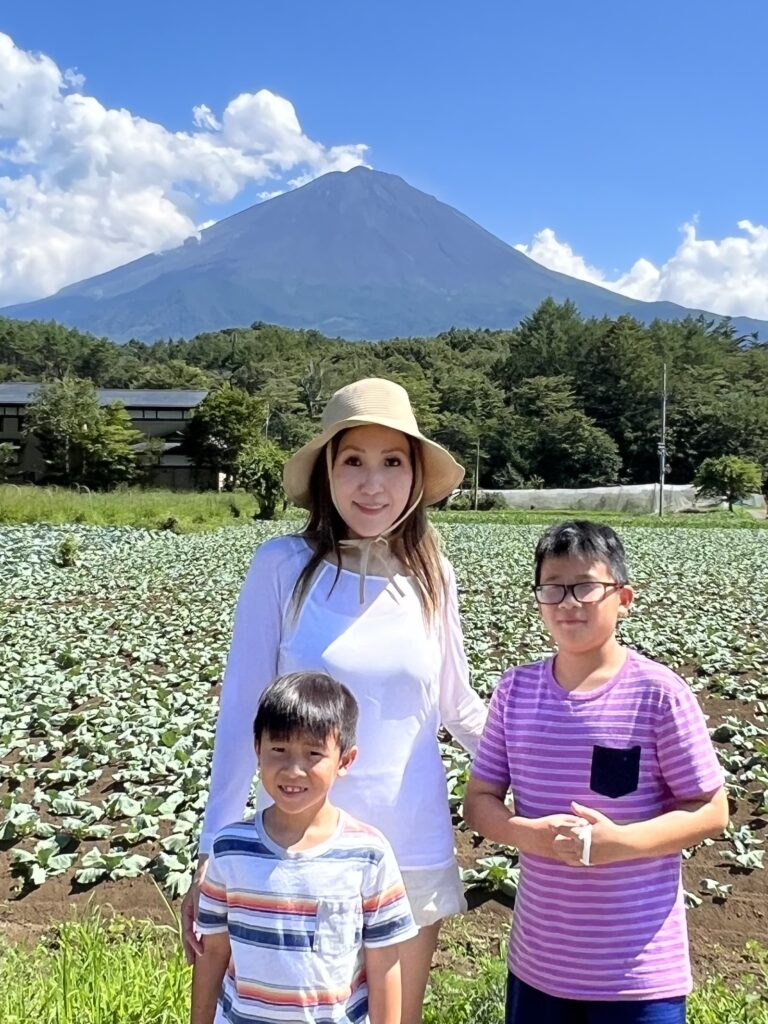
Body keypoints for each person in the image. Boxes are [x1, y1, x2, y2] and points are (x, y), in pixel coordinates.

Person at [183, 377, 487, 1024]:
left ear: (415, 475)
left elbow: (458, 706)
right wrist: (212, 847)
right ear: (327, 471)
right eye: (353, 461)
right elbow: (242, 714)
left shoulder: (431, 572)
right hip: (297, 855)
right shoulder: (282, 566)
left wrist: (547, 770)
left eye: (392, 462)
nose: (373, 484)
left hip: (409, 846)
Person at [464, 520, 729, 1024]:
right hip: (539, 967)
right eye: (553, 587)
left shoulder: (659, 695)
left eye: (586, 587)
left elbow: (712, 811)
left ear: (623, 598)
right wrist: (528, 835)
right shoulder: (515, 692)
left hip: (639, 975)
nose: (568, 602)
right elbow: (479, 801)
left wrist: (619, 843)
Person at [191, 671, 417, 1024]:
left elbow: (384, 963)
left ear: (345, 760)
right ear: (257, 749)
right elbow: (213, 953)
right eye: (278, 750)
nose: (293, 770)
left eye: (313, 753)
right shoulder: (229, 849)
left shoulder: (369, 855)